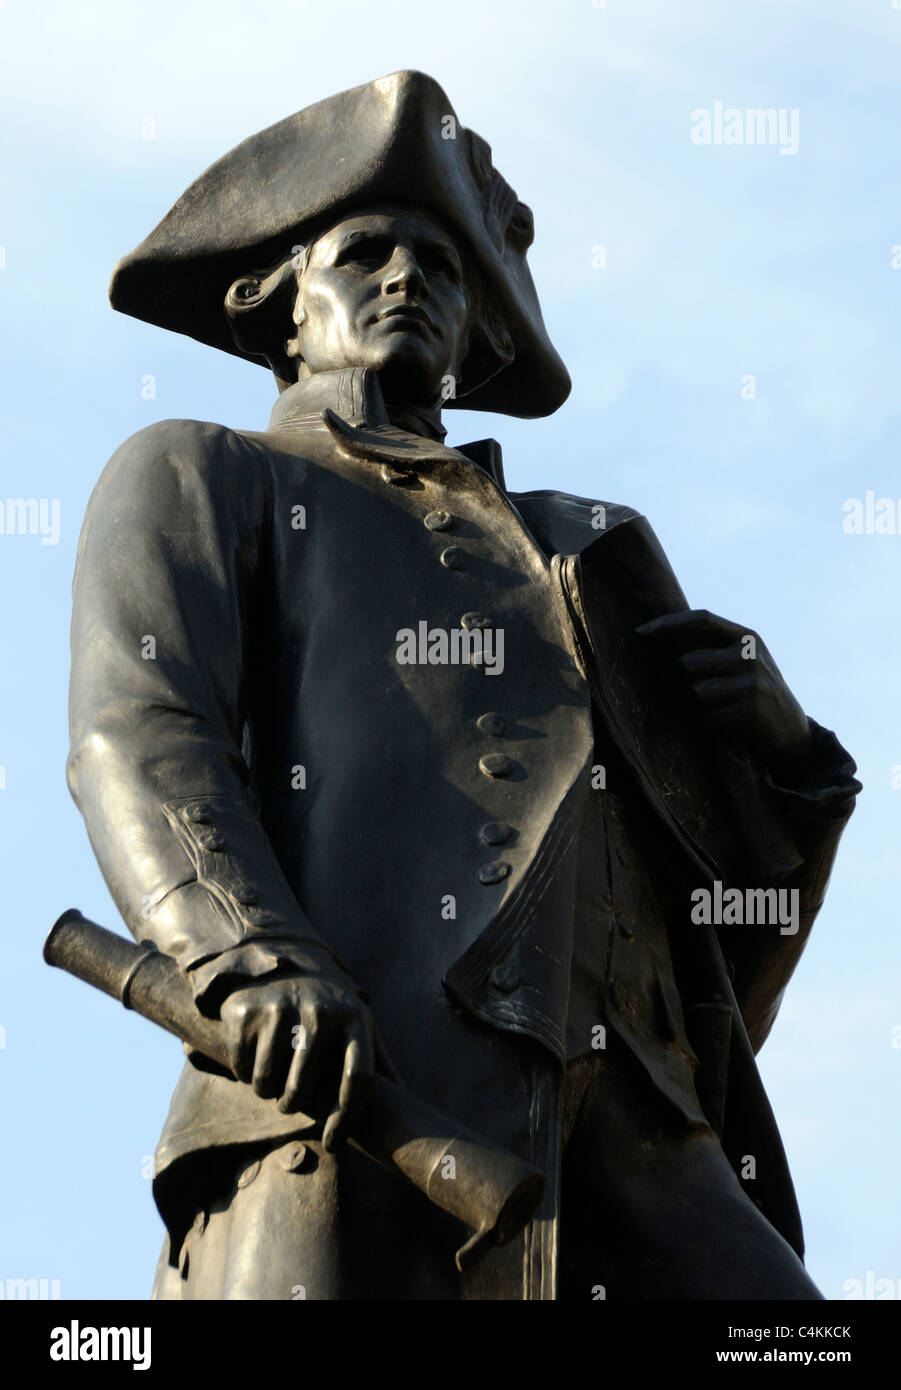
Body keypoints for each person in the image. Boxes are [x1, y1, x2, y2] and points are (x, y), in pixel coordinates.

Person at [67, 71, 860, 1300]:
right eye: (363, 250)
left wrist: (788, 760)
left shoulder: (591, 548)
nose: (405, 278)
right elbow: (140, 731)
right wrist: (255, 956)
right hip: (350, 1094)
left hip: (642, 1141)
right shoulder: (202, 471)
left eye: (442, 265)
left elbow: (720, 946)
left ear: (481, 331)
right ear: (274, 303)